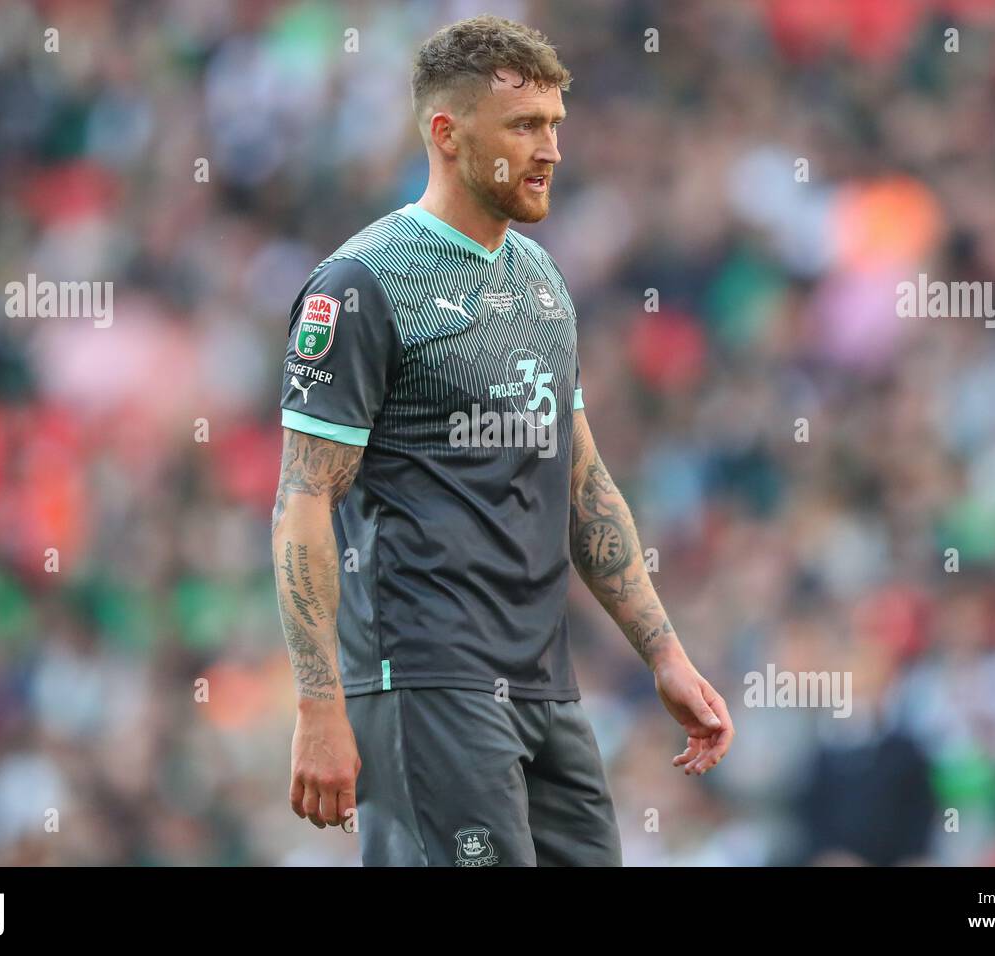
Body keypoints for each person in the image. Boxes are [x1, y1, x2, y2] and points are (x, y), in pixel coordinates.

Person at [272, 14, 734, 867]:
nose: (552, 149)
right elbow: (303, 501)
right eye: (526, 126)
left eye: (556, 124)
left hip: (542, 680)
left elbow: (582, 481)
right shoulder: (363, 285)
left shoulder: (542, 281)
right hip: (423, 677)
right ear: (447, 135)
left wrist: (664, 651)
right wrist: (318, 703)